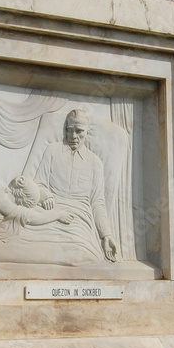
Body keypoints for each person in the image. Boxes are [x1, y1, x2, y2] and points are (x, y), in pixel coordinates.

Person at [33, 109, 119, 263]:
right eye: (69, 130)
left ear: (87, 132)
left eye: (79, 131)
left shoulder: (95, 163)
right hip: (49, 212)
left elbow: (97, 203)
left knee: (78, 253)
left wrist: (106, 235)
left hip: (78, 220)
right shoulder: (52, 151)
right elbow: (39, 184)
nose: (73, 136)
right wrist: (45, 196)